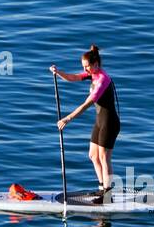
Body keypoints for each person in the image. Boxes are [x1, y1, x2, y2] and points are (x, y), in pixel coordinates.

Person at [51, 44, 121, 202]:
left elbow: (85, 105)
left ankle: (108, 195)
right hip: (100, 121)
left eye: (87, 67)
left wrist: (67, 119)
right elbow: (74, 77)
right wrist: (58, 72)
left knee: (104, 158)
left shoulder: (102, 80)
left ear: (96, 64)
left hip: (110, 122)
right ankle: (102, 189)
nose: (85, 70)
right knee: (93, 156)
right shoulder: (93, 74)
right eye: (84, 67)